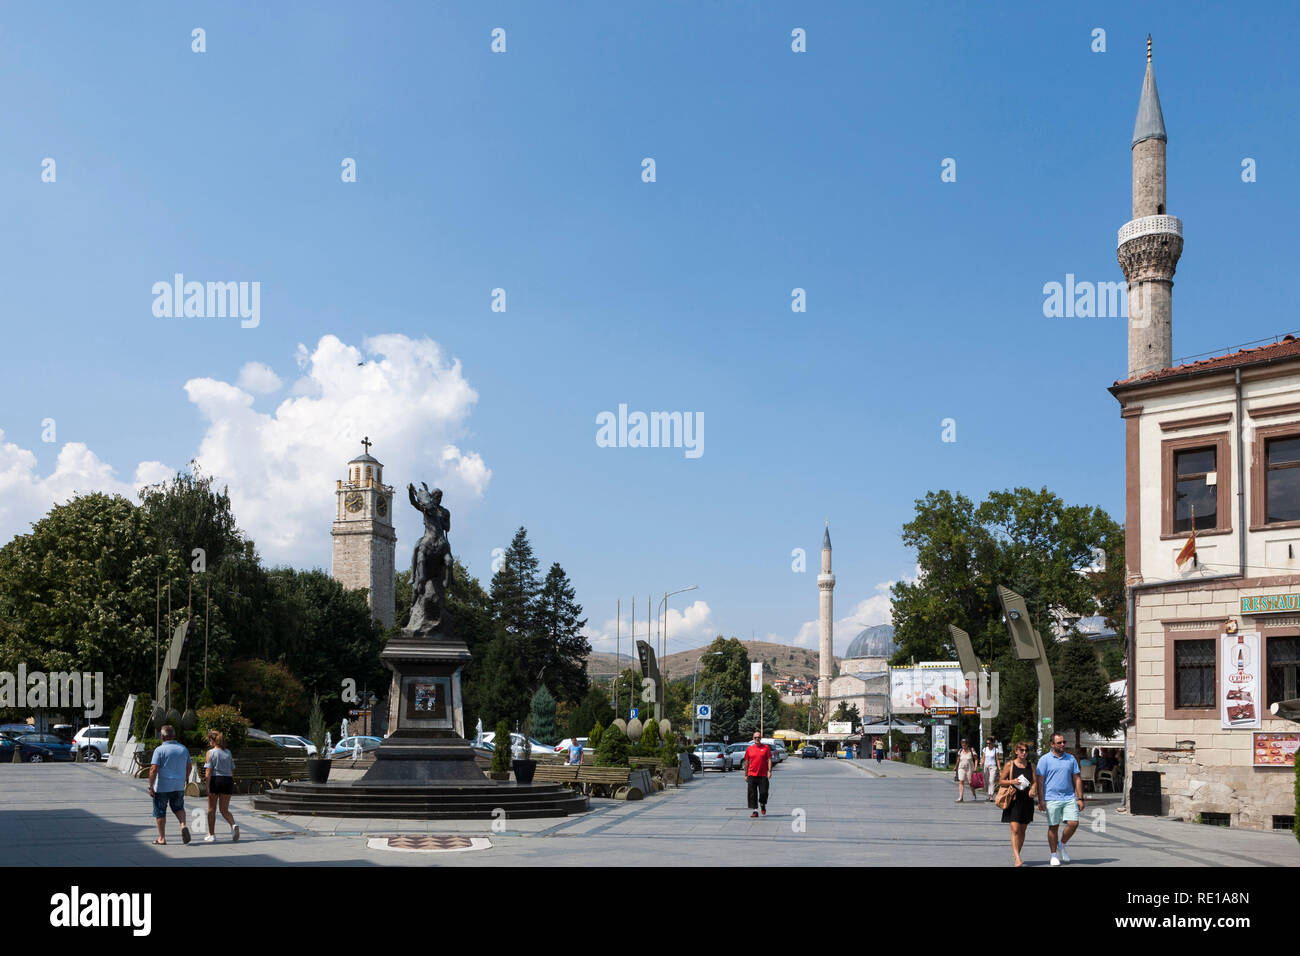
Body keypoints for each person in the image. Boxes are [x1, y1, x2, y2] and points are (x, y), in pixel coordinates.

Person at [1035, 733, 1084, 866]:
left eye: (1063, 742)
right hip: (1051, 798)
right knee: (1053, 826)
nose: (1062, 745)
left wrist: (1080, 798)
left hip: (1069, 797)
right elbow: (1040, 782)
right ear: (1052, 744)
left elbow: (1077, 778)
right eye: (1059, 743)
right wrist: (1041, 800)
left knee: (1074, 823)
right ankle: (1053, 854)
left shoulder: (1070, 759)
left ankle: (1061, 844)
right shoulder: (1044, 760)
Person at [148, 725, 191, 845]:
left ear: (162, 736)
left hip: (162, 785)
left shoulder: (159, 750)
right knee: (178, 807)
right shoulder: (183, 749)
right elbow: (189, 766)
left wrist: (151, 786)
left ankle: (162, 838)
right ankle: (183, 825)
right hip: (178, 785)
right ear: (174, 735)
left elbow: (153, 769)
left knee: (160, 811)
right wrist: (184, 778)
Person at [998, 740, 1038, 866]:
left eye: (1026, 751)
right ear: (1016, 751)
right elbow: (1001, 781)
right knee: (1015, 829)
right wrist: (1012, 781)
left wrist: (1033, 788)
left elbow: (1035, 781)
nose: (1024, 753)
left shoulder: (1031, 766)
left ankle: (1017, 855)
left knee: (1022, 830)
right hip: (1014, 800)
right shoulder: (1010, 764)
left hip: (1027, 801)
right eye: (1021, 750)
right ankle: (1017, 858)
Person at [203, 730, 239, 843]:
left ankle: (212, 835)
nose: (209, 742)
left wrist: (207, 787)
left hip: (216, 780)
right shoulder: (228, 752)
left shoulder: (211, 753)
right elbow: (232, 769)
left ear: (213, 740)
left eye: (209, 740)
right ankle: (233, 825)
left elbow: (208, 772)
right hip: (228, 781)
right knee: (224, 810)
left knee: (211, 809)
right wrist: (230, 780)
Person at [743, 731, 772, 817]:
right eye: (755, 737)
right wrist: (746, 774)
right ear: (753, 738)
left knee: (764, 792)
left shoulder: (766, 748)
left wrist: (769, 771)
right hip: (752, 774)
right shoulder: (749, 749)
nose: (757, 739)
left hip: (763, 775)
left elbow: (769, 759)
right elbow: (747, 762)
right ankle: (755, 810)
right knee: (752, 793)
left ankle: (762, 804)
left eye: (758, 737)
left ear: (761, 738)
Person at [982, 736, 1001, 801]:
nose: (988, 744)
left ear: (992, 743)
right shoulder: (985, 749)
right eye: (987, 743)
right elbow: (983, 758)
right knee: (986, 781)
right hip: (986, 766)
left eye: (989, 743)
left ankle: (991, 796)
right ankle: (989, 794)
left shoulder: (995, 750)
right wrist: (981, 764)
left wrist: (1000, 768)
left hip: (993, 766)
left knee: (991, 781)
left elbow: (997, 759)